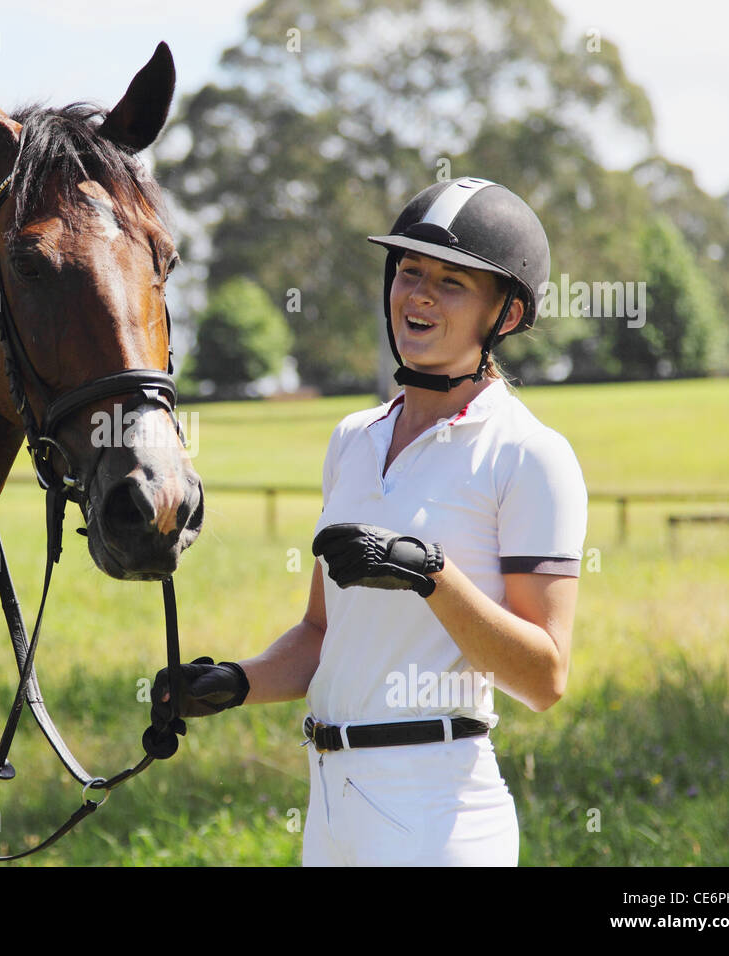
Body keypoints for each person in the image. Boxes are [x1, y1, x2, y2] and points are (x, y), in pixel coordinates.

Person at [151, 177, 587, 866]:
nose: (418, 294)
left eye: (450, 283)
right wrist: (236, 682)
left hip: (439, 814)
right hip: (330, 809)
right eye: (409, 271)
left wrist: (430, 575)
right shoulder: (353, 439)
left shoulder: (530, 455)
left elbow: (544, 679)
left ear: (503, 314)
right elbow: (323, 634)